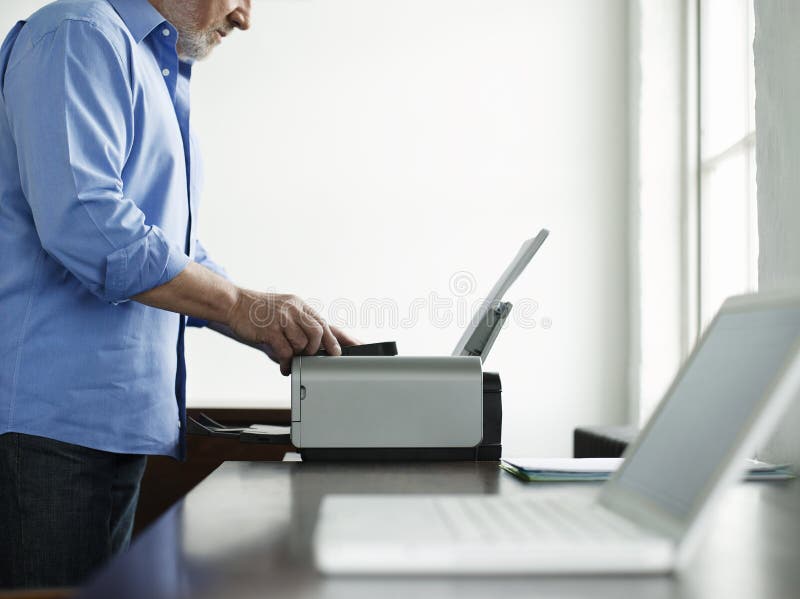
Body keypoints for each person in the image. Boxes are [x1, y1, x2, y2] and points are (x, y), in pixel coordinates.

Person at [0, 0, 356, 589]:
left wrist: (261, 312)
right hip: (50, 433)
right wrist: (240, 308)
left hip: (102, 427)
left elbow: (165, 247)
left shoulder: (137, 58)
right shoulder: (77, 35)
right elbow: (88, 224)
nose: (245, 17)